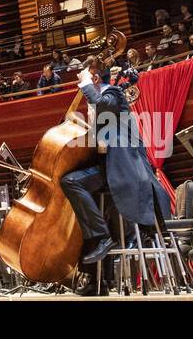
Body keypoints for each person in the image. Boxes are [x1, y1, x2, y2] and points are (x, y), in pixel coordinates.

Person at [58, 58, 172, 294]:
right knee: (90, 200)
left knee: (70, 182)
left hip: (126, 172)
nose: (80, 80)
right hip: (112, 170)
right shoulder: (105, 102)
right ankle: (99, 278)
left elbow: (100, 102)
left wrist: (86, 84)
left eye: (85, 77)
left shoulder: (114, 94)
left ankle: (100, 238)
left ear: (95, 78)